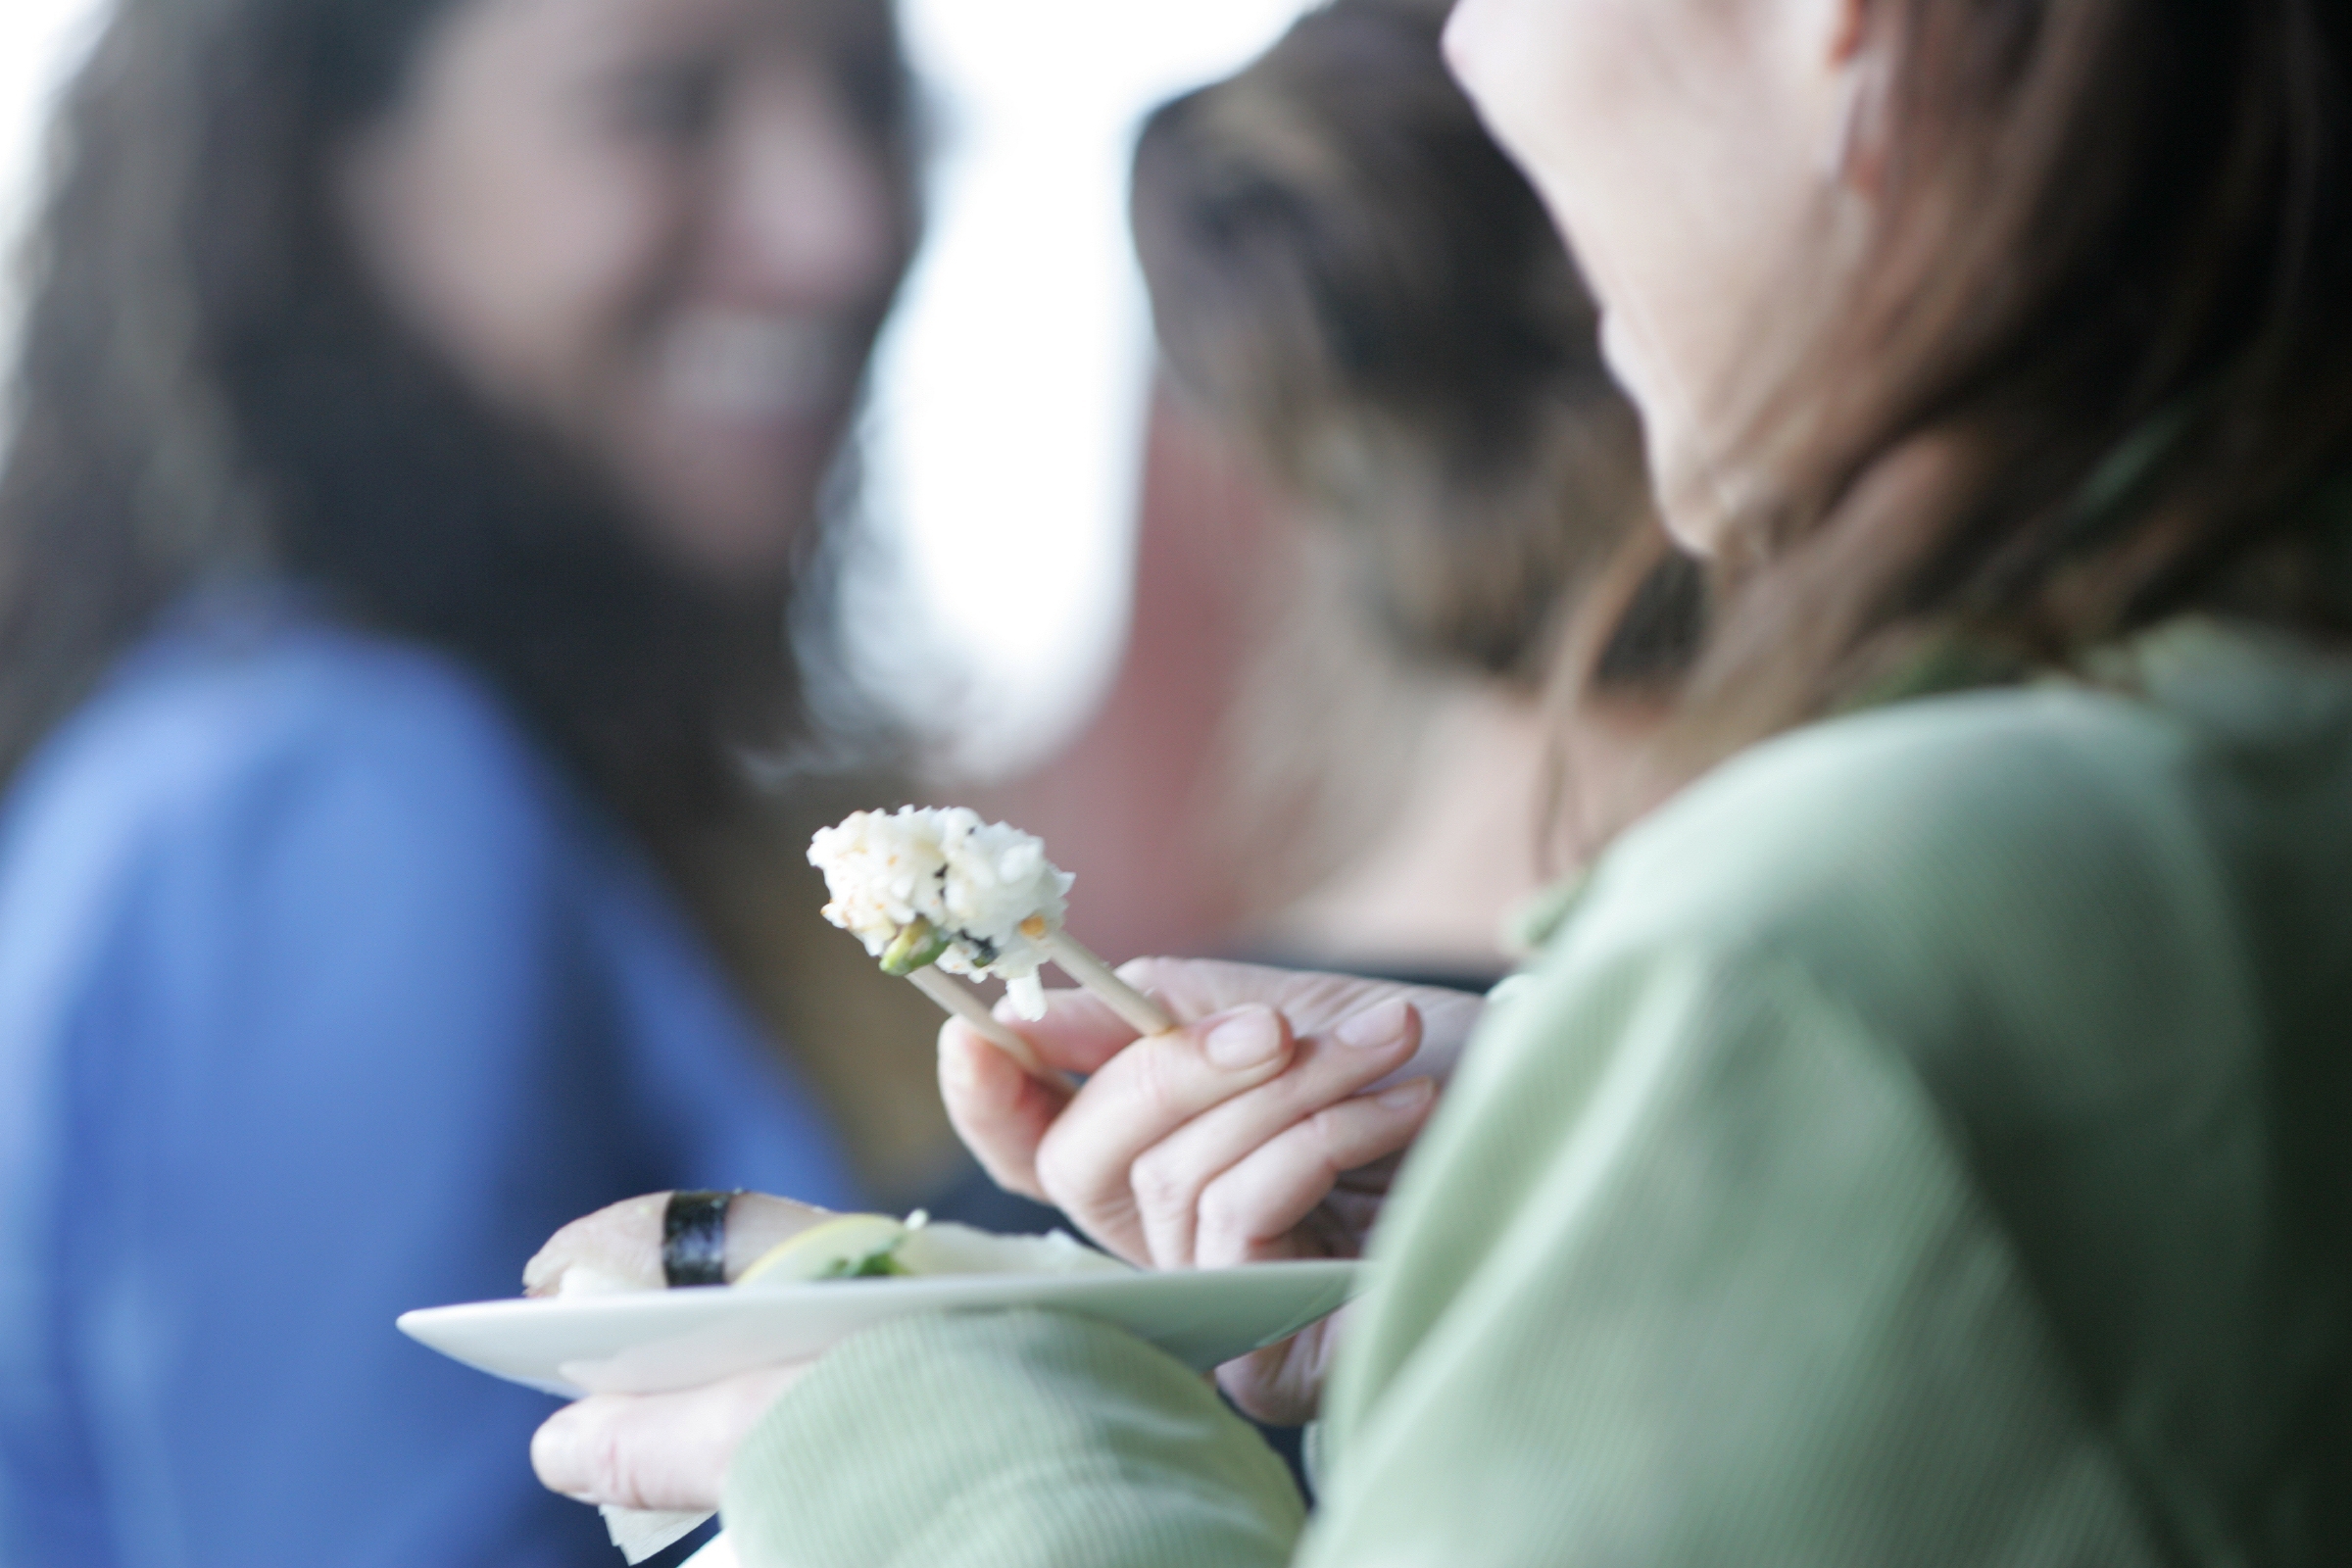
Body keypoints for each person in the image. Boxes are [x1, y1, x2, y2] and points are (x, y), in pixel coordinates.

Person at [532, 0, 2352, 1562]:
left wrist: (944, 1453)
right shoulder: (2231, 785)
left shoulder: (1850, 963)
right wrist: (1597, 1154)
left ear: (1835, 27)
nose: (1482, 55)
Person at [0, 0, 961, 1563]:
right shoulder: (337, 809)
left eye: (869, 93)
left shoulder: (259, 753)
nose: (841, 227)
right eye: (659, 104)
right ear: (326, 166)